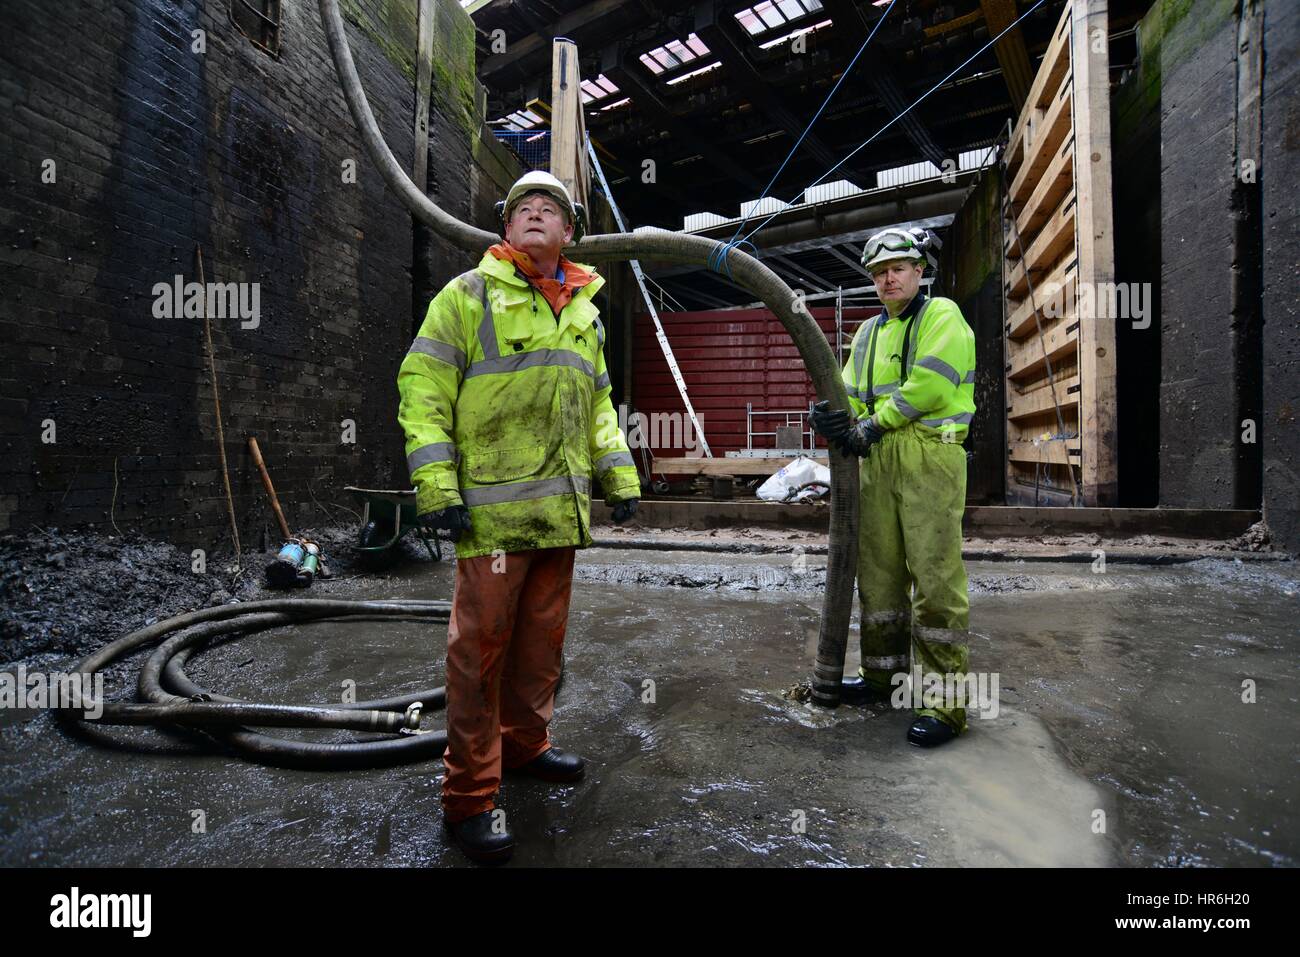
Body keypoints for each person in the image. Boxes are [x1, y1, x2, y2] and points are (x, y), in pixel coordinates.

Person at [396, 170, 640, 862]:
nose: (536, 213)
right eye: (523, 208)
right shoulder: (468, 295)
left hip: (558, 517)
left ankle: (526, 747)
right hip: (491, 523)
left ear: (570, 234)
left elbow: (598, 407)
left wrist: (618, 475)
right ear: (506, 229)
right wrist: (437, 486)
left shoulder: (584, 313)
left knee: (540, 649)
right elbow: (422, 387)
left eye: (551, 208)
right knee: (479, 656)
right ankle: (471, 796)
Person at [810, 226, 976, 748]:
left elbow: (929, 385)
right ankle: (885, 679)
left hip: (930, 454)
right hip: (878, 459)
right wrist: (836, 418)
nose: (888, 279)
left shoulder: (941, 315)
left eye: (897, 269)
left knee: (934, 577)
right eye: (879, 273)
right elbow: (852, 394)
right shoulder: (866, 334)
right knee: (878, 572)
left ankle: (944, 706)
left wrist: (871, 425)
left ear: (918, 271)